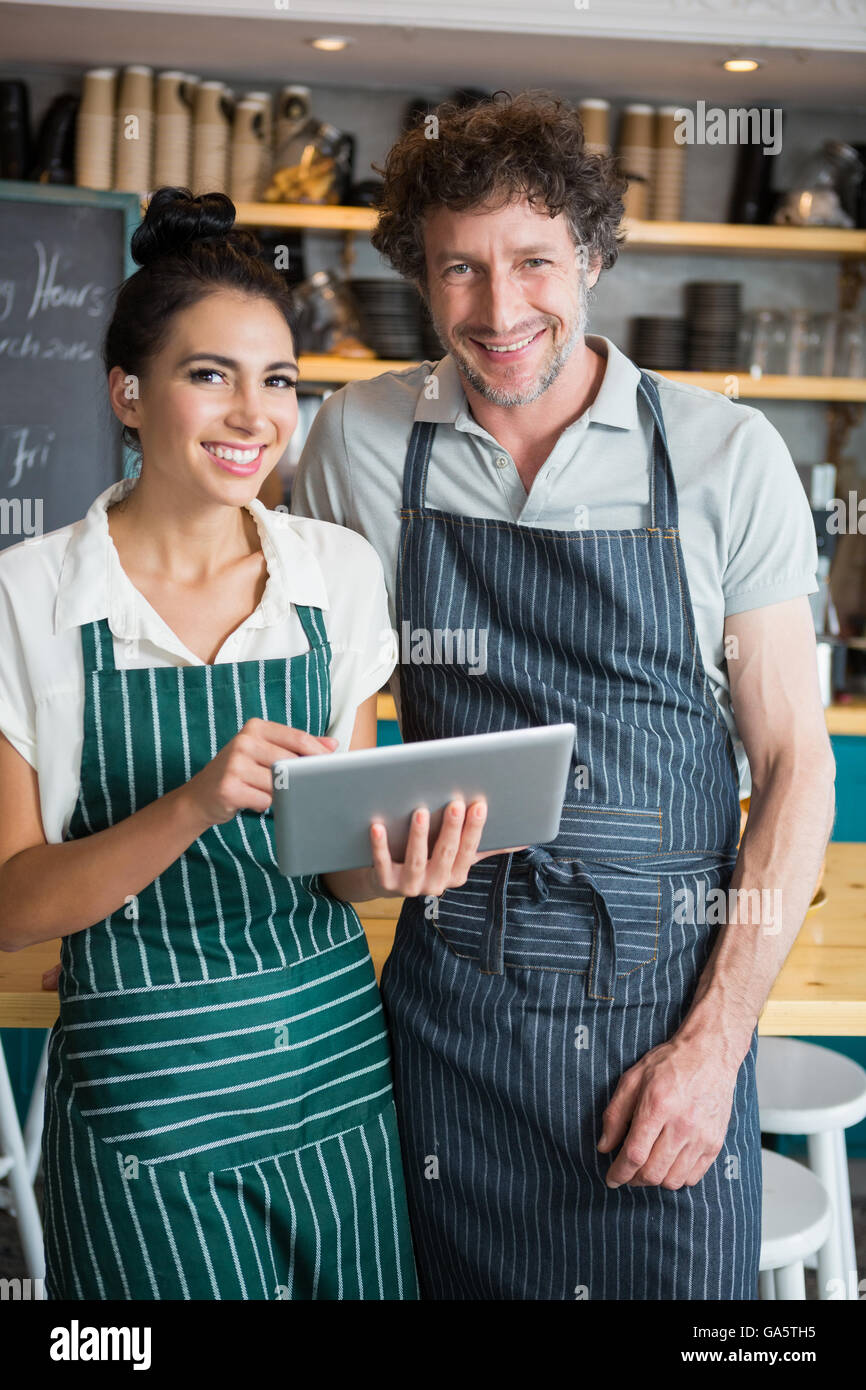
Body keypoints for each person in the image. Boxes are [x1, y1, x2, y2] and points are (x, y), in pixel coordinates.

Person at [291, 92, 837, 1300]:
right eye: (459, 271)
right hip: (452, 1029)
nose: (499, 311)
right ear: (419, 278)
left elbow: (797, 762)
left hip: (665, 1027)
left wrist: (713, 1044)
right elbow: (324, 725)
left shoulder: (718, 456)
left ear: (589, 255)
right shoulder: (358, 440)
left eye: (533, 261)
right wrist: (360, 850)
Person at [0, 187, 494, 1301]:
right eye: (208, 374)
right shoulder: (28, 597)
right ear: (128, 393)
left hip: (331, 1073)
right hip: (147, 1099)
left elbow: (337, 871)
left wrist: (407, 865)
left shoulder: (336, 574)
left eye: (276, 380)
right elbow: (11, 904)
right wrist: (191, 801)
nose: (252, 417)